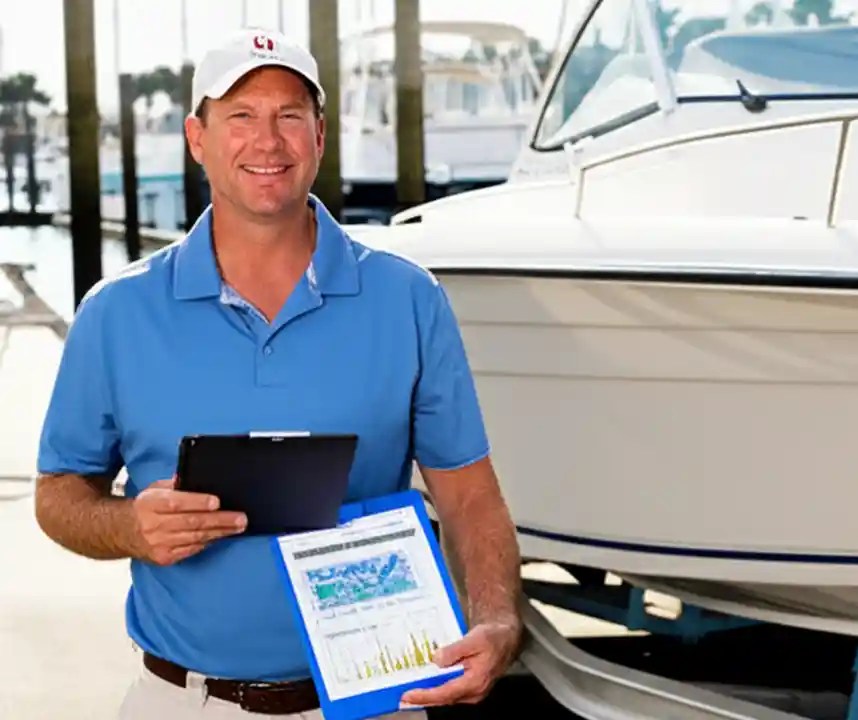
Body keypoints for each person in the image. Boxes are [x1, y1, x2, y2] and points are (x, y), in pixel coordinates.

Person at [32, 27, 522, 718]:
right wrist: (129, 527)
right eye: (241, 117)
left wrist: (498, 619)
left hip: (380, 698)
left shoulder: (409, 298)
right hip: (183, 701)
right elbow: (58, 495)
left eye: (289, 116)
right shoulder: (115, 313)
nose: (268, 142)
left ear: (320, 136)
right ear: (197, 139)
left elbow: (470, 496)